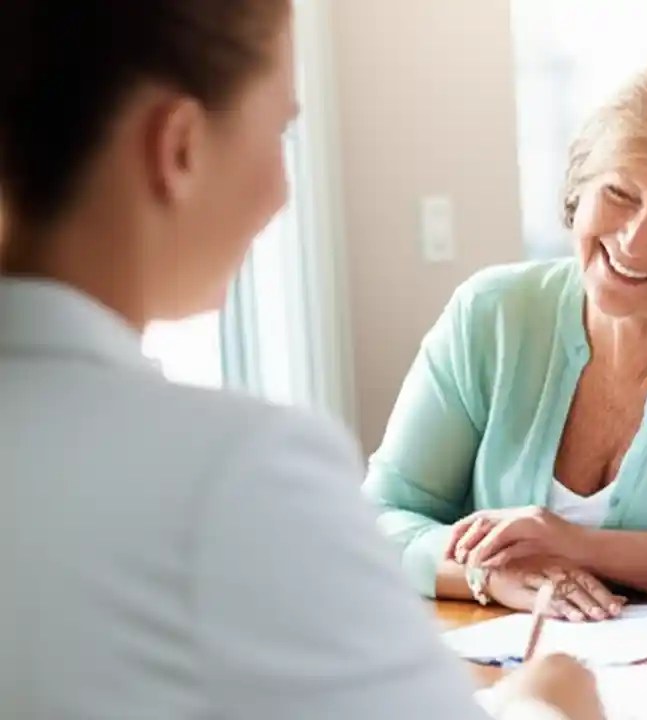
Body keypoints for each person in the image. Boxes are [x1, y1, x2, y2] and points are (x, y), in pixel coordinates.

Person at [0, 2, 601, 718]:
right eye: (281, 130)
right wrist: (546, 704)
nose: (283, 191)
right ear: (180, 146)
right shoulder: (236, 473)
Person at [363, 52, 647, 619]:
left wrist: (575, 544)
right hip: (513, 674)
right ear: (582, 184)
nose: (633, 241)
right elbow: (378, 516)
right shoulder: (492, 313)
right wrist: (490, 574)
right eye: (620, 194)